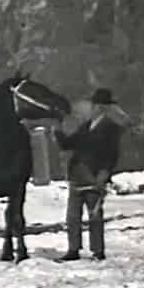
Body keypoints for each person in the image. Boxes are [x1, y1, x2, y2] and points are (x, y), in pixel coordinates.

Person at [58, 87, 128, 262]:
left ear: (103, 107)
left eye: (96, 105)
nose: (93, 107)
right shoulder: (86, 126)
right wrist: (57, 131)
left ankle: (98, 250)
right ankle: (73, 249)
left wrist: (104, 173)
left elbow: (112, 154)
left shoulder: (111, 128)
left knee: (94, 215)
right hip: (77, 175)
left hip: (94, 176)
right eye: (94, 104)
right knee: (72, 217)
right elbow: (68, 144)